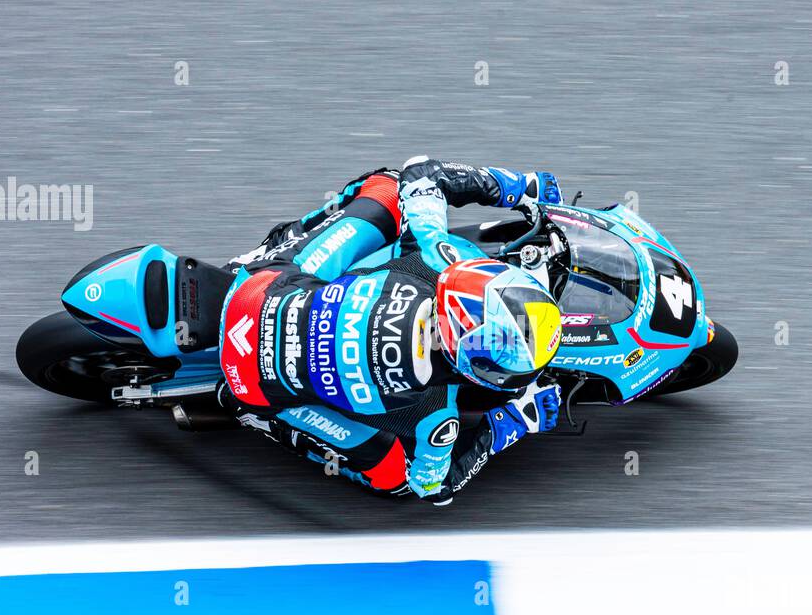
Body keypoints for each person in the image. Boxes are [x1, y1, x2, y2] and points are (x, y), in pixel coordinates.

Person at [219, 156, 565, 504]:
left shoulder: (431, 257)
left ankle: (272, 250)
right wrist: (510, 424)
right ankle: (256, 416)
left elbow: (420, 170)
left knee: (388, 184)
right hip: (249, 385)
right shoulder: (433, 419)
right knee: (397, 480)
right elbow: (432, 488)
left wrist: (519, 187)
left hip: (253, 293)